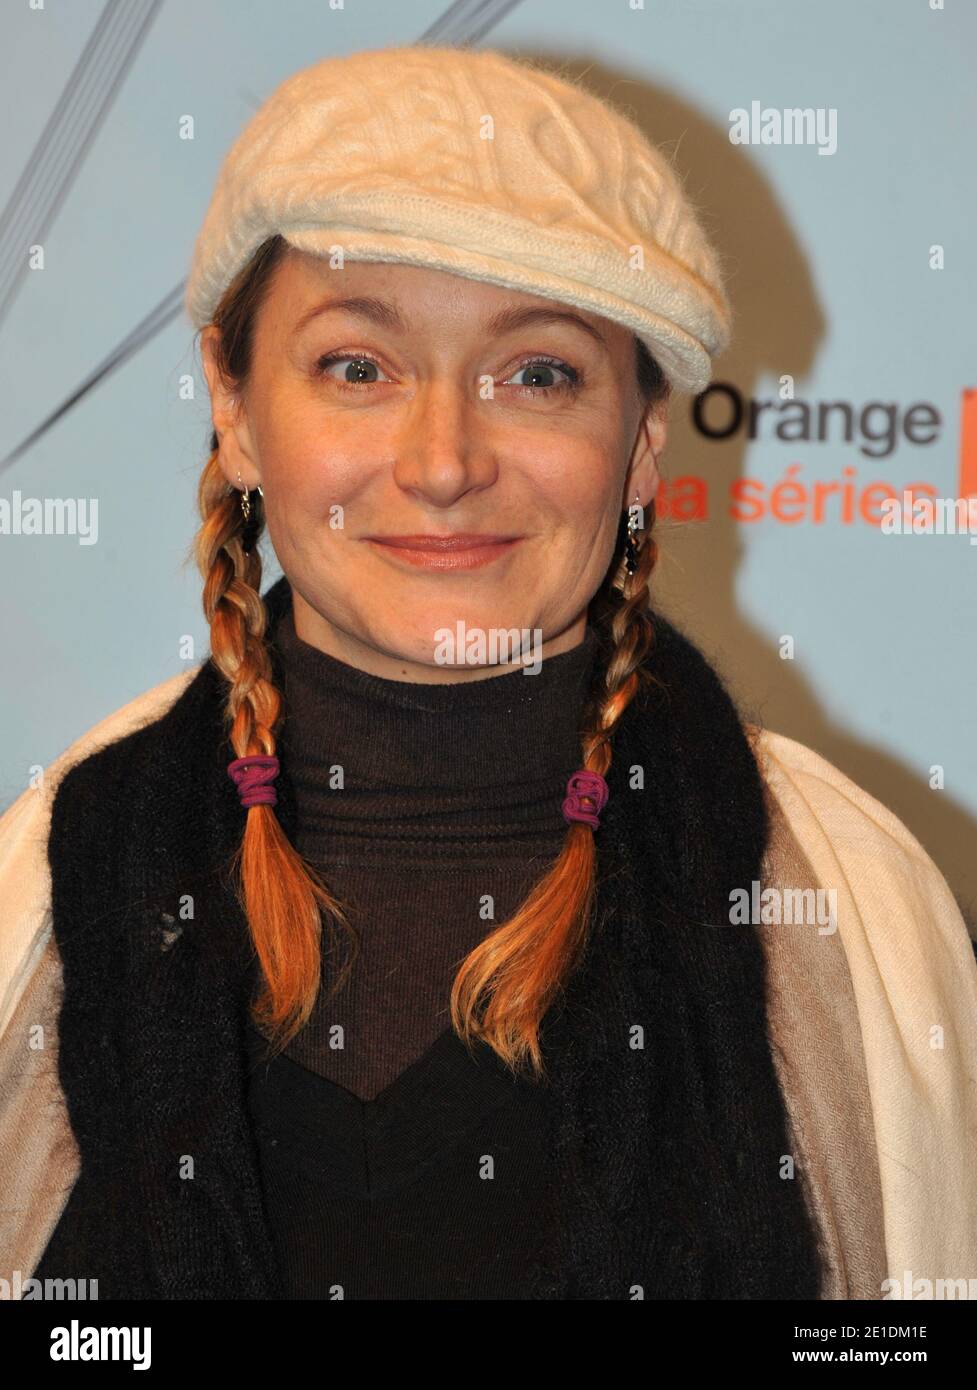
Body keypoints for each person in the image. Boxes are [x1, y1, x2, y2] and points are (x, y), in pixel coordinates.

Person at [1, 45, 975, 1303]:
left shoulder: (841, 910)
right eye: (358, 365)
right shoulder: (40, 893)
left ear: (640, 441)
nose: (444, 460)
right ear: (234, 405)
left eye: (538, 374)